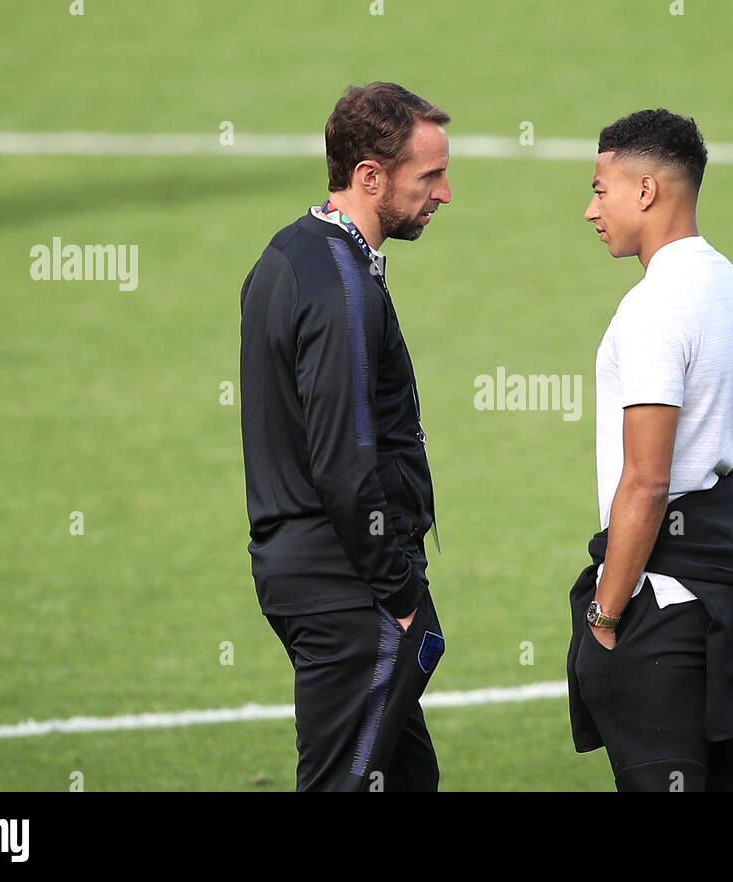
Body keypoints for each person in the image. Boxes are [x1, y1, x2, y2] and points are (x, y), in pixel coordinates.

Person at [567, 109, 733, 792]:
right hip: (723, 610)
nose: (590, 209)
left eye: (601, 189)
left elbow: (647, 481)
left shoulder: (654, 307)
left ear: (647, 191)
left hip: (658, 616)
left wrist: (605, 616)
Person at [239, 82, 452, 791]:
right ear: (369, 177)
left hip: (305, 569)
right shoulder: (343, 289)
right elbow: (343, 460)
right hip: (347, 588)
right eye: (429, 176)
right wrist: (401, 599)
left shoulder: (286, 256)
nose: (444, 193)